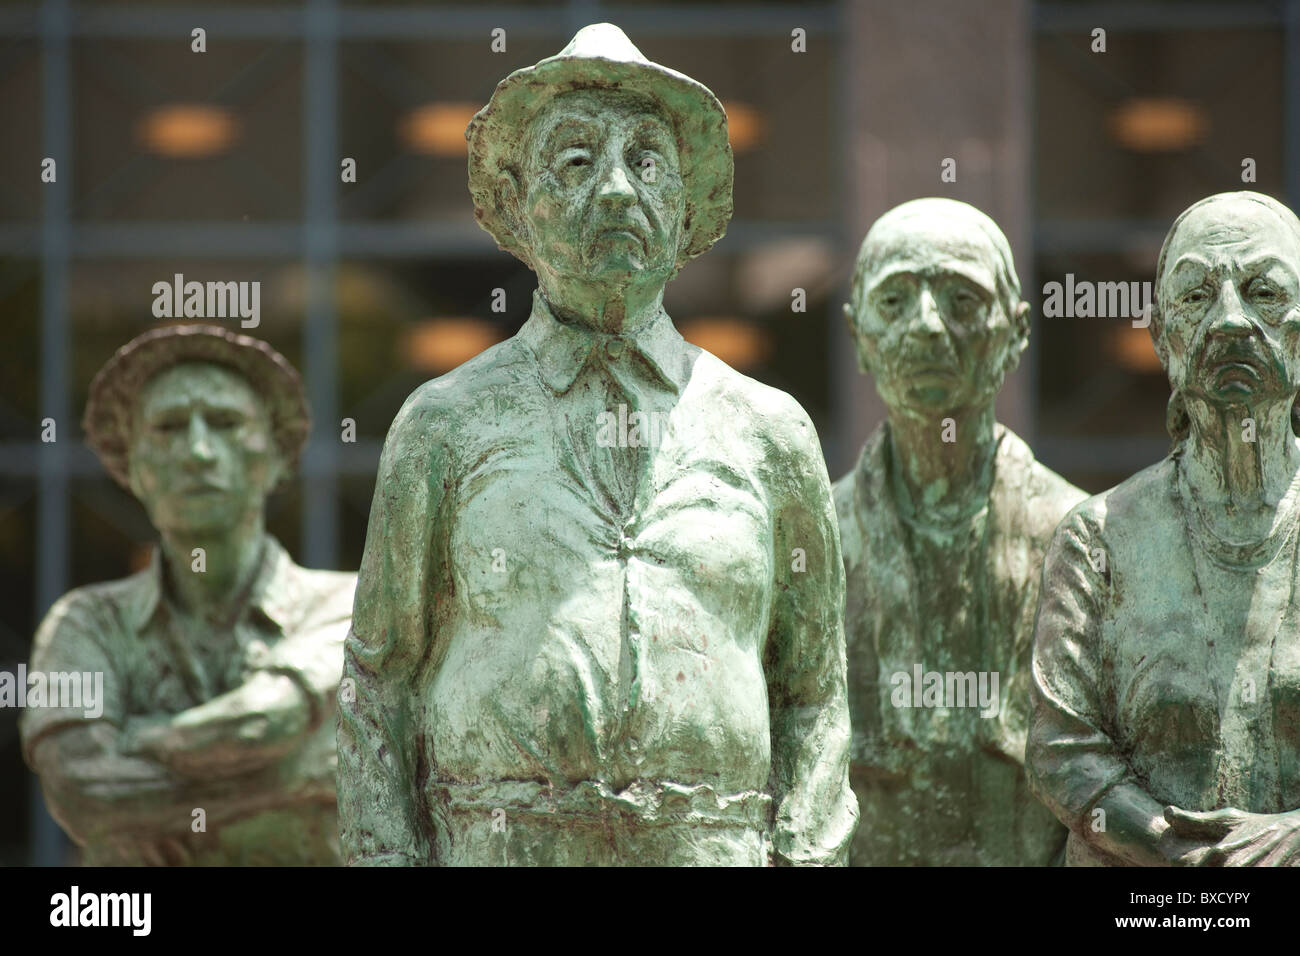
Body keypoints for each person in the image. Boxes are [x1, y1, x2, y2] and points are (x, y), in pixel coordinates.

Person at [337, 23, 857, 866]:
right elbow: (379, 678)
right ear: (515, 204)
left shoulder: (769, 433)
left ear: (689, 206)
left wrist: (804, 856)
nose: (616, 190)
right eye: (576, 162)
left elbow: (813, 691)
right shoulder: (445, 423)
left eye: (647, 162)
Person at [1029, 191, 1300, 866]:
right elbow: (1063, 751)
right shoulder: (1098, 540)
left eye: (1264, 291)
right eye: (1196, 297)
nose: (1231, 320)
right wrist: (1179, 854)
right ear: (1160, 340)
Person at [21, 324, 354, 865]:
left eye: (225, 423)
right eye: (169, 427)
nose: (198, 451)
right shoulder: (82, 624)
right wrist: (293, 777)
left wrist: (138, 742)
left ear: (276, 456)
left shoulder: (350, 609)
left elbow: (264, 720)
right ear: (131, 466)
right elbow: (86, 796)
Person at [836, 198, 1082, 865]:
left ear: (1017, 333)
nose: (926, 326)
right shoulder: (814, 540)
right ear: (858, 336)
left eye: (961, 299)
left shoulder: (1087, 542)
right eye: (894, 301)